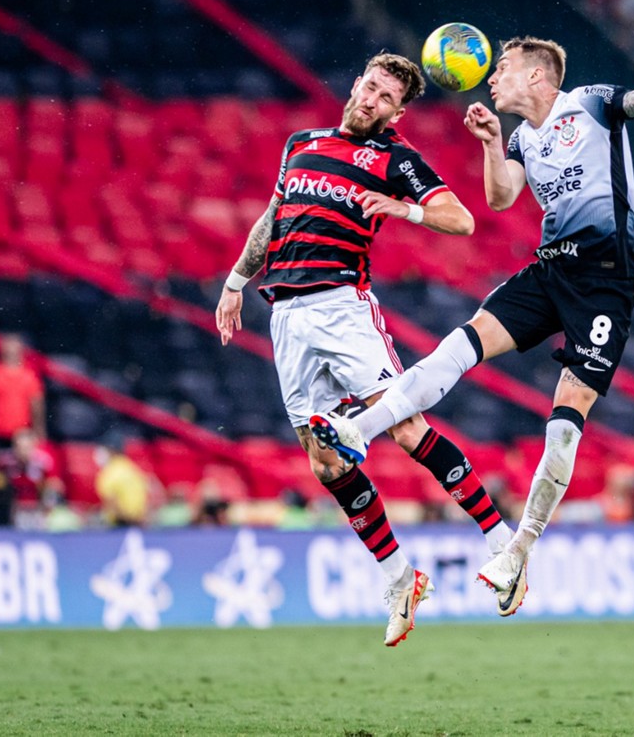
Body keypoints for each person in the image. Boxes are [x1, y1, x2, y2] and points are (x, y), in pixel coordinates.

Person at [310, 23, 634, 616]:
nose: (492, 74)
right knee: (458, 344)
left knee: (564, 427)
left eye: (502, 66)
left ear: (537, 75)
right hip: (550, 272)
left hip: (606, 282)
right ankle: (358, 432)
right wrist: (492, 142)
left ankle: (518, 549)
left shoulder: (593, 103)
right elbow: (501, 199)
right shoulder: (524, 135)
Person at [215, 52, 514, 647]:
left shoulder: (393, 158)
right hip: (286, 315)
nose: (373, 99)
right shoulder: (302, 142)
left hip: (343, 307)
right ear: (355, 84)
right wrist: (233, 282)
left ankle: (501, 539)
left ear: (398, 111)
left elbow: (460, 220)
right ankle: (400, 578)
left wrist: (404, 207)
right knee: (326, 463)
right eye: (370, 87)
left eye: (386, 98)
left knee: (404, 427)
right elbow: (272, 218)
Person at [0, 334, 45, 456]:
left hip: (22, 436)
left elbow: (36, 407)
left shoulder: (29, 376)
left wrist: (39, 434)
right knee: (0, 470)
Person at [94, 442, 149, 528]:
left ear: (111, 452)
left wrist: (126, 520)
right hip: (138, 522)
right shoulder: (133, 468)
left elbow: (111, 500)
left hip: (119, 524)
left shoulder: (109, 473)